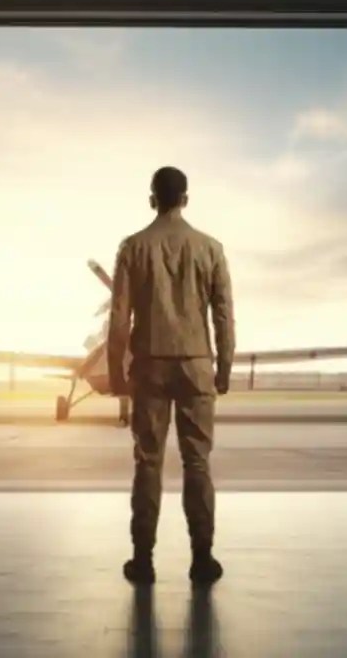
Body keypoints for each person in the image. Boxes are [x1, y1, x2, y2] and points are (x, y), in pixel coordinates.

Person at [107, 165, 235, 585]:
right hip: (197, 365)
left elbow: (119, 318)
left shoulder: (132, 248)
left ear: (152, 200)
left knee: (148, 461)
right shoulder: (211, 248)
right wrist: (224, 366)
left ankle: (143, 561)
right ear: (185, 199)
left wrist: (115, 371)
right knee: (197, 462)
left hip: (149, 365)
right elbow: (223, 314)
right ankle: (202, 559)